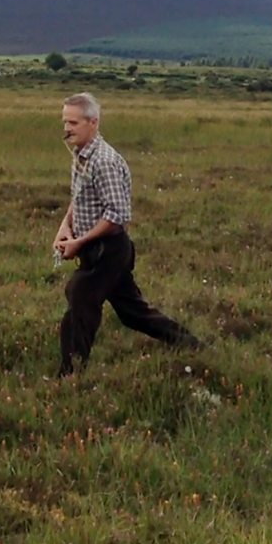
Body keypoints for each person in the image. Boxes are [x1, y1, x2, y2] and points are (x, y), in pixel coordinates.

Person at [53, 92, 201, 377]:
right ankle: (192, 345)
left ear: (93, 122)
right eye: (64, 122)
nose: (67, 129)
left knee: (80, 295)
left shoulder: (104, 162)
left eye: (73, 122)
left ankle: (69, 376)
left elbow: (117, 216)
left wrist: (79, 243)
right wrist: (65, 227)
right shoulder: (82, 155)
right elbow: (80, 197)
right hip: (94, 248)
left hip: (108, 250)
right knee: (133, 313)